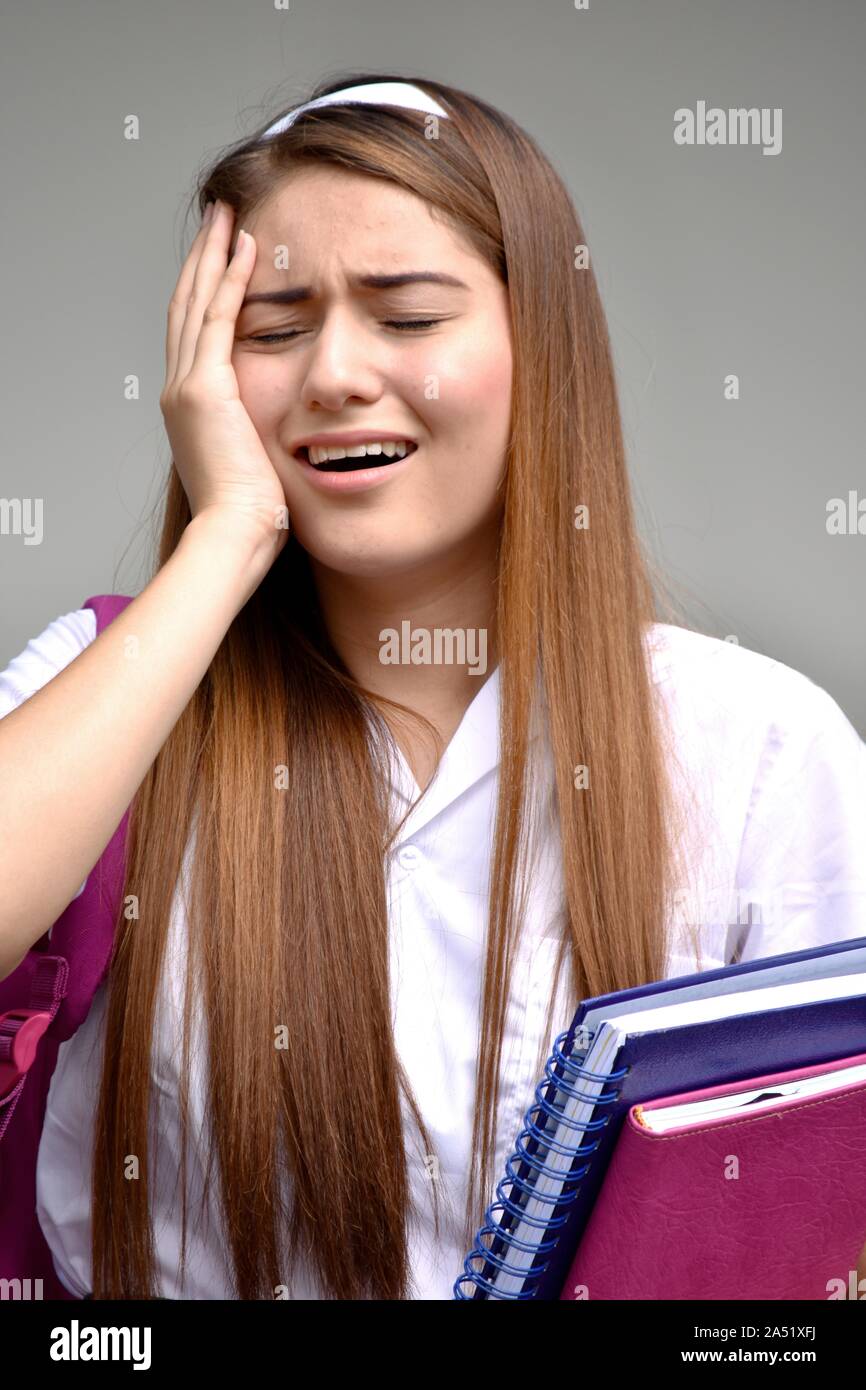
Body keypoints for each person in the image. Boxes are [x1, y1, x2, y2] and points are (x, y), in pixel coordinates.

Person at [0, 72, 864, 1301]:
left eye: (405, 316)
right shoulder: (110, 689)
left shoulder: (759, 749)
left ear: (541, 347)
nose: (335, 374)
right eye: (273, 325)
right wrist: (230, 534)